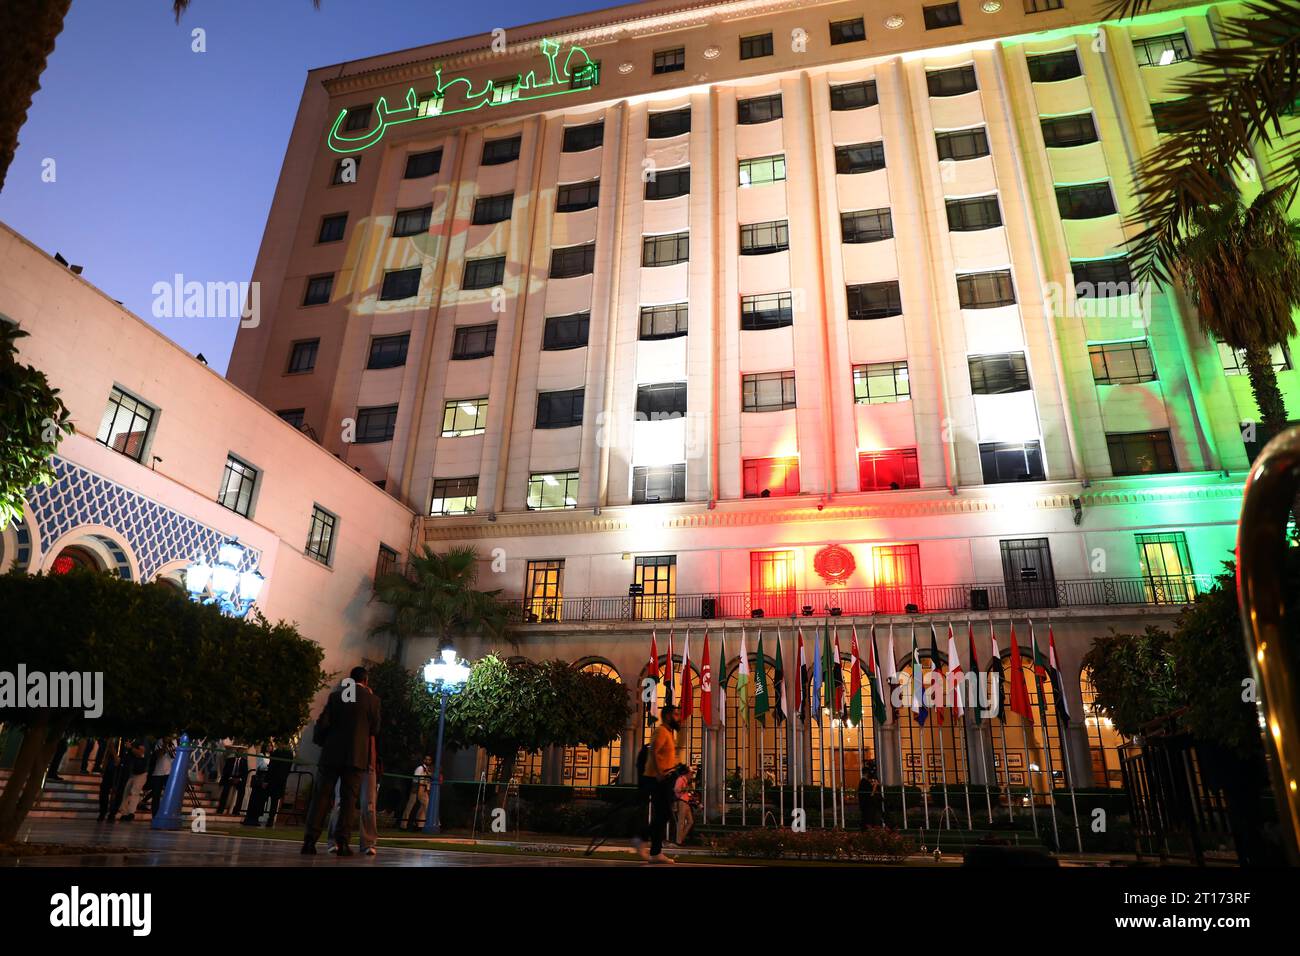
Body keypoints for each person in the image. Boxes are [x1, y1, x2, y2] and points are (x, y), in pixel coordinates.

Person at [302, 666, 381, 857]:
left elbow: (323, 724)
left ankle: (310, 841)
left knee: (321, 797)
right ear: (366, 681)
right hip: (356, 757)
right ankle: (343, 842)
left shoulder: (337, 697)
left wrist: (324, 743)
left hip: (331, 755)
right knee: (348, 801)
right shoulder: (372, 700)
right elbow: (375, 729)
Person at [637, 703, 682, 864]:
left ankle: (656, 852)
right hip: (656, 779)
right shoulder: (661, 731)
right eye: (676, 714)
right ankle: (642, 839)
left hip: (665, 778)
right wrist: (658, 773)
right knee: (664, 814)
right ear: (668, 716)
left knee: (663, 814)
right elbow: (653, 752)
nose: (678, 718)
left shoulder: (669, 733)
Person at [117, 742, 150, 821]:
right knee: (127, 792)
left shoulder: (141, 741)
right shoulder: (139, 741)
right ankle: (126, 812)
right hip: (134, 772)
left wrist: (130, 748)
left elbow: (141, 753)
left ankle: (130, 812)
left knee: (133, 792)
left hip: (140, 772)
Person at [402, 755, 433, 830]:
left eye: (429, 760)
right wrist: (415, 789)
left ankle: (420, 824)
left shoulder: (428, 769)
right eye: (426, 759)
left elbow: (428, 780)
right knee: (410, 805)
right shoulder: (420, 768)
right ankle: (404, 825)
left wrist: (427, 788)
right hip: (418, 787)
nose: (428, 761)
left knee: (426, 805)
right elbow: (415, 779)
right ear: (424, 760)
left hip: (423, 788)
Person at [147, 738, 176, 820]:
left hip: (170, 772)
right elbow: (158, 755)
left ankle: (167, 815)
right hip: (158, 772)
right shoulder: (160, 741)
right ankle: (155, 816)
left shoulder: (177, 741)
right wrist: (164, 744)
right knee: (156, 795)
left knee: (169, 795)